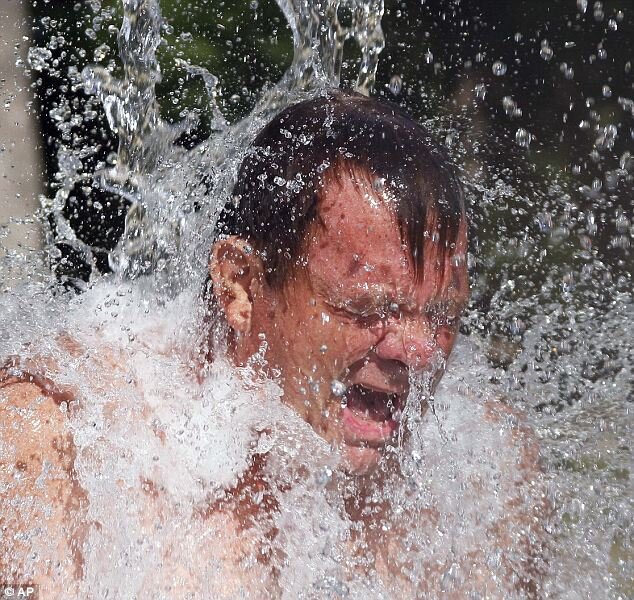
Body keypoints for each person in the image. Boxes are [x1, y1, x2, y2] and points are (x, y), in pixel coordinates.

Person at [0, 90, 544, 597]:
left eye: (443, 315)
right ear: (240, 287)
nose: (420, 352)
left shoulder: (486, 479)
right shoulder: (62, 447)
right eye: (368, 307)